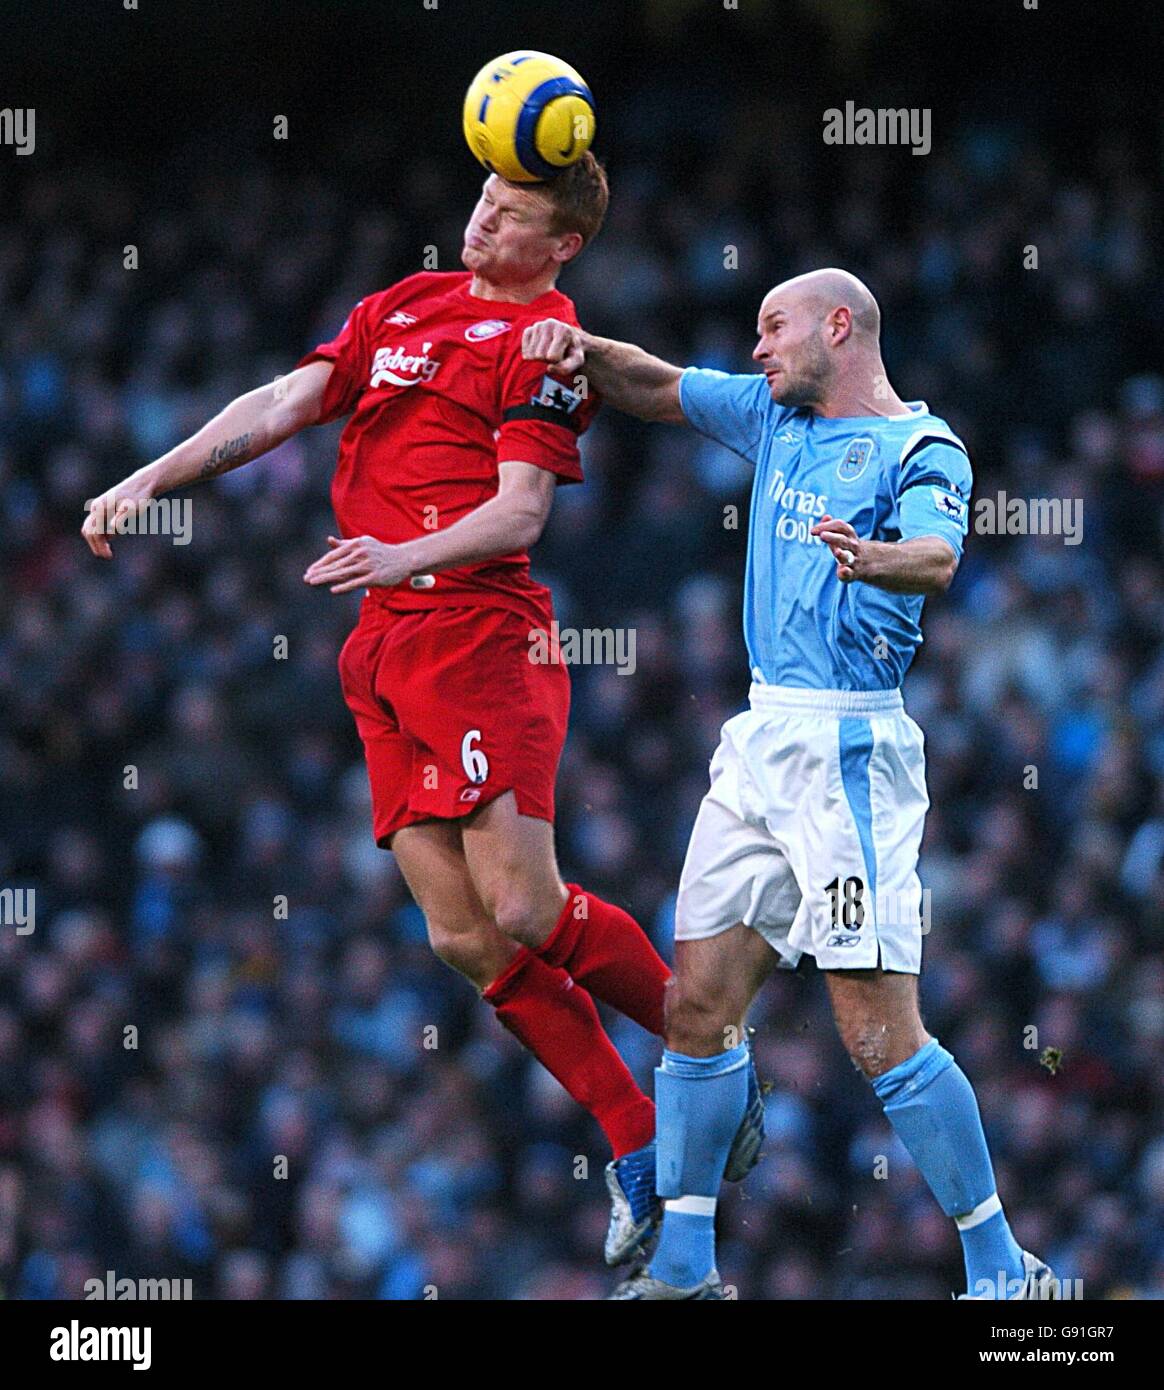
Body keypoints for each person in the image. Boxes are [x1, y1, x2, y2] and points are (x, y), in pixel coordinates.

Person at [80, 155, 760, 1267]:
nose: (484, 217)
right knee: (459, 934)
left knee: (527, 908)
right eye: (484, 199)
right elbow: (289, 400)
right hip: (384, 642)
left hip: (482, 628)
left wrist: (403, 551)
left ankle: (713, 1043)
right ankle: (635, 1137)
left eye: (514, 213)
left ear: (562, 245)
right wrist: (155, 476)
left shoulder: (548, 345)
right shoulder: (405, 302)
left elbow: (519, 514)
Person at [523, 268, 1057, 1300]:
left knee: (873, 1032)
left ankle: (1002, 1267)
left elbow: (940, 558)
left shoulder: (921, 447)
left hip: (850, 754)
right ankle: (684, 1268)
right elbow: (658, 382)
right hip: (760, 736)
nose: (758, 348)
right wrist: (561, 346)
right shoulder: (771, 416)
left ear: (838, 327)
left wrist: (874, 560)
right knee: (697, 1006)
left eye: (774, 328)